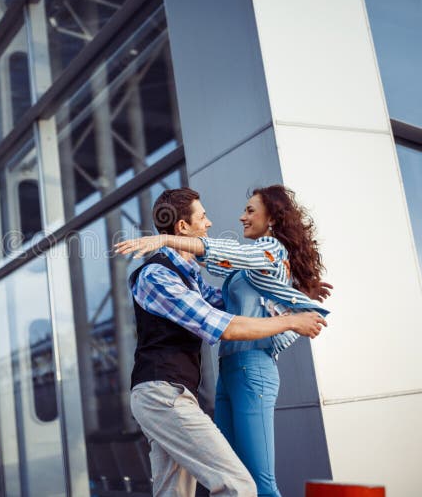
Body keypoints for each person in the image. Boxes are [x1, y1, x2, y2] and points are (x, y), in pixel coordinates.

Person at [117, 185, 331, 497]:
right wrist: (291, 316)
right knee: (240, 485)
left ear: (271, 219)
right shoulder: (158, 275)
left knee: (195, 490)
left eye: (250, 210)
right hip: (167, 392)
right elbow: (220, 320)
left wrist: (296, 301)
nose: (211, 223)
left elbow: (229, 292)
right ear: (183, 227)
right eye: (202, 217)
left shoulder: (266, 251)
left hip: (224, 377)